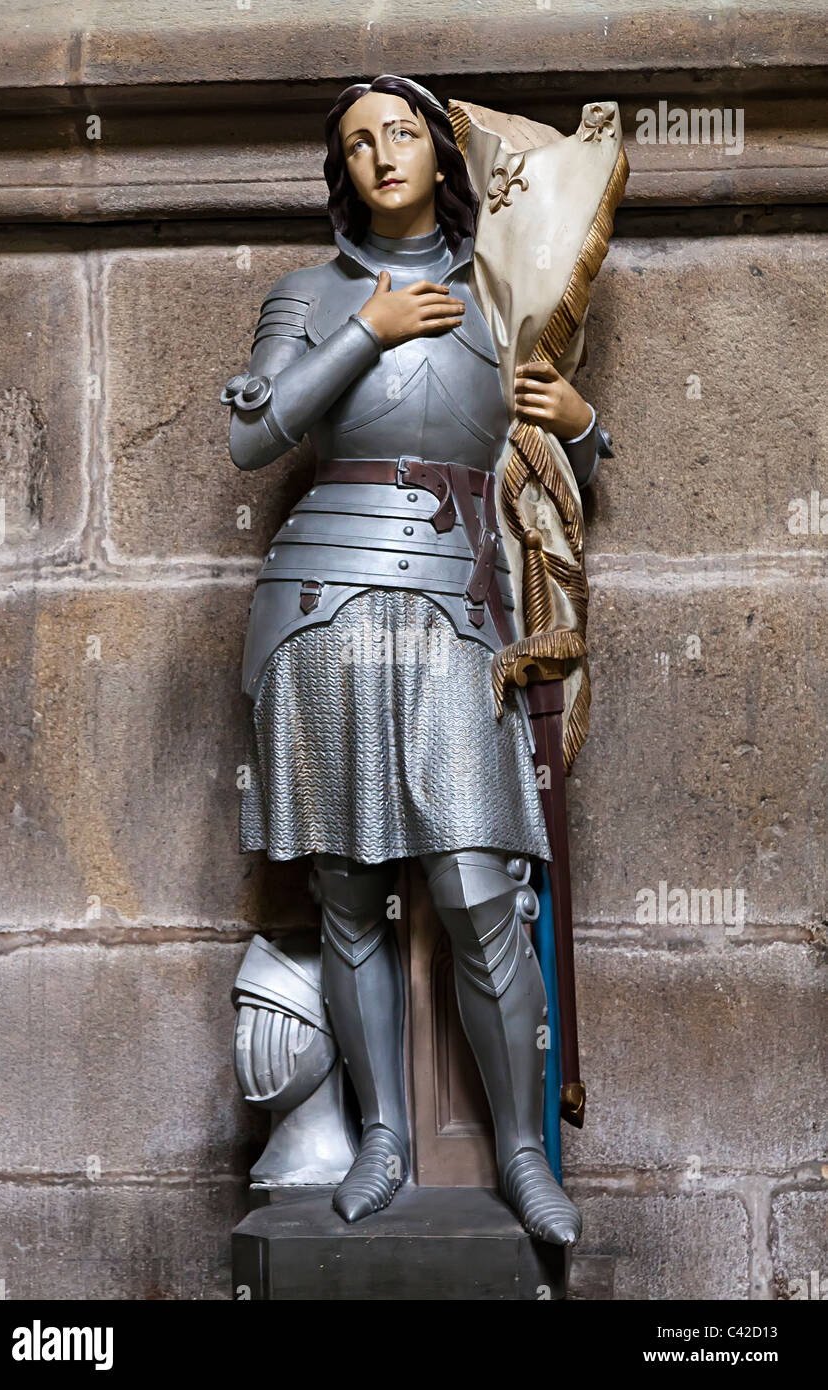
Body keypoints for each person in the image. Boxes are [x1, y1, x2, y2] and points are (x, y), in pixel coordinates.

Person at [222, 74, 609, 1246]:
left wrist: (579, 424)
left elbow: (556, 492)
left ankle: (523, 1153)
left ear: (438, 157)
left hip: (455, 605)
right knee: (345, 891)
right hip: (322, 604)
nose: (380, 154)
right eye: (355, 143)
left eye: (398, 133)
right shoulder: (306, 292)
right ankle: (383, 1130)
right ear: (338, 171)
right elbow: (252, 434)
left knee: (476, 886)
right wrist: (365, 329)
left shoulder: (503, 293)